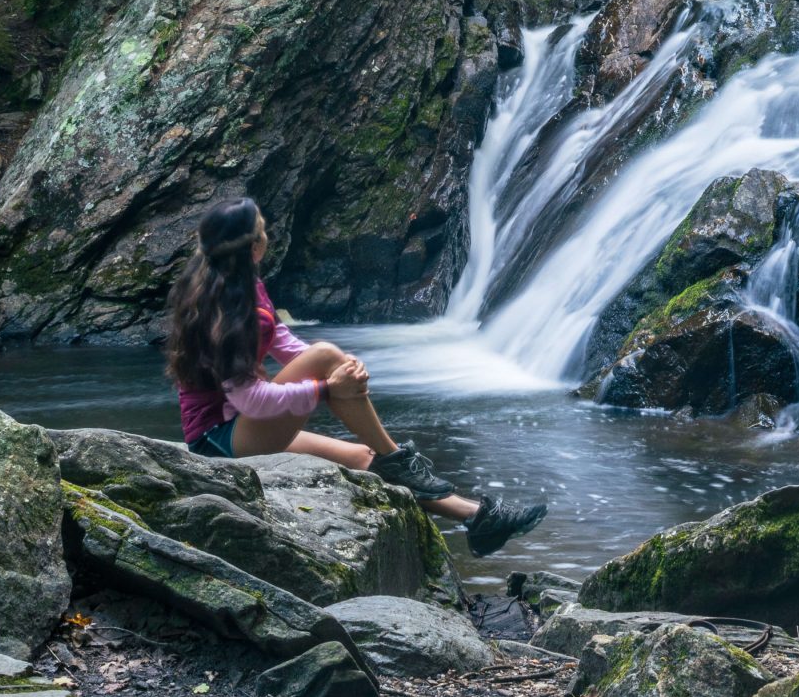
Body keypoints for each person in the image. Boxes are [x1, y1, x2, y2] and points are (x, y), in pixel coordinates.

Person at [166, 196, 548, 558]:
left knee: (363, 457)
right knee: (328, 360)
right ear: (254, 247)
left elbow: (282, 342)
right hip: (219, 442)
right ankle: (396, 456)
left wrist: (341, 367)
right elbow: (252, 400)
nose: (269, 237)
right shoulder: (231, 312)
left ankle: (477, 518)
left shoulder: (235, 286)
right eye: (264, 231)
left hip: (235, 427)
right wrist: (325, 386)